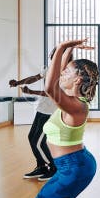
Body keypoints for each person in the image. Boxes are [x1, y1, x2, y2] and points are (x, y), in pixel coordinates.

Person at [25, 39, 100, 198]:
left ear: (77, 81)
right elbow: (58, 74)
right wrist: (68, 51)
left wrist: (62, 47)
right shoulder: (71, 97)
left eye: (67, 72)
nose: (61, 74)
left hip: (73, 169)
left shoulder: (74, 106)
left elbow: (49, 86)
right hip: (73, 165)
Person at [10, 48, 58, 181]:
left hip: (51, 111)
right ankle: (41, 166)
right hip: (42, 108)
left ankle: (54, 168)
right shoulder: (49, 69)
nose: (53, 55)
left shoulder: (62, 73)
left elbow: (52, 93)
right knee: (32, 137)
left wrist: (31, 92)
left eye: (57, 53)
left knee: (39, 141)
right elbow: (35, 77)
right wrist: (18, 83)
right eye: (53, 53)